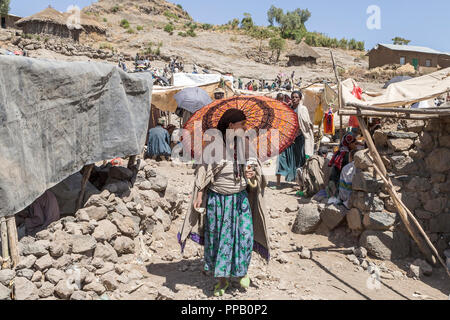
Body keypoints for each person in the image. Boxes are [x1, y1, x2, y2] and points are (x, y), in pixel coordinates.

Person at [178, 109, 270, 297]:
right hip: (218, 201)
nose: (246, 127)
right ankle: (222, 279)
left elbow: (255, 168)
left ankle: (241, 271)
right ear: (230, 126)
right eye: (242, 124)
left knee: (244, 236)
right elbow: (204, 172)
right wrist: (200, 194)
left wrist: (252, 174)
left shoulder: (246, 144)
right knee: (220, 240)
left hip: (240, 199)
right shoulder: (214, 146)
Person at [274, 91, 309, 188]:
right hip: (288, 138)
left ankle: (300, 183)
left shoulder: (303, 109)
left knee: (299, 160)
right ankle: (277, 183)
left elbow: (306, 124)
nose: (294, 99)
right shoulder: (289, 109)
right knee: (281, 157)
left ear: (300, 98)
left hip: (299, 138)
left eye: (296, 97)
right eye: (293, 97)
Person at [327, 132, 358, 197]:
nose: (356, 146)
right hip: (337, 185)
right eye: (354, 144)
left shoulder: (341, 151)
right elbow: (347, 173)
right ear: (349, 144)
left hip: (333, 182)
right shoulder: (346, 155)